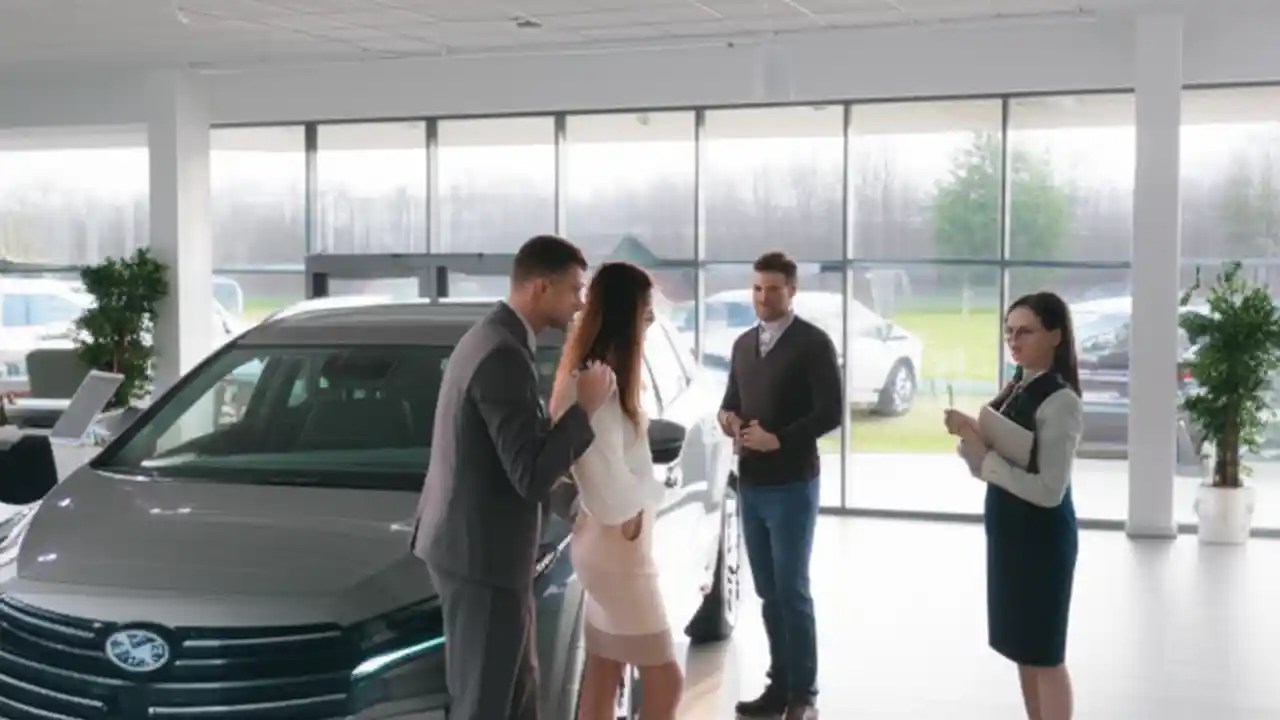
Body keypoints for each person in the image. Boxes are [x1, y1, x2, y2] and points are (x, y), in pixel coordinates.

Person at [412, 235, 616, 720]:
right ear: (541, 287)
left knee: (518, 692)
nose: (580, 304)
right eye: (575, 290)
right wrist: (584, 410)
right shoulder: (502, 354)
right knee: (485, 701)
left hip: (487, 553)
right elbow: (530, 473)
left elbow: (511, 453)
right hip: (482, 558)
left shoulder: (492, 338)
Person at [548, 262, 683, 720]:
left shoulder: (599, 377)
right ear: (626, 314)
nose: (652, 318)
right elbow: (606, 489)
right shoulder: (597, 383)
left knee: (604, 671)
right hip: (617, 553)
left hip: (607, 546)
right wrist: (643, 505)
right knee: (665, 680)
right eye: (645, 309)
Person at [944, 291, 1084, 720]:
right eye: (1009, 332)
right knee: (1024, 649)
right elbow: (1011, 455)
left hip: (1041, 540)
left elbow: (1049, 490)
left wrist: (986, 460)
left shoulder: (1061, 402)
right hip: (1010, 532)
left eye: (1025, 332)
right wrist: (973, 437)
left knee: (1045, 652)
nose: (1014, 340)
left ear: (1055, 336)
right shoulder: (1018, 386)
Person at [717, 251, 842, 720]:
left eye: (772, 289)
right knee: (768, 592)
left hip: (792, 485)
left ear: (792, 291)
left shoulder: (813, 343)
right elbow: (730, 401)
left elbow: (830, 412)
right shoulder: (742, 345)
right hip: (751, 484)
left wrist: (780, 439)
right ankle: (779, 685)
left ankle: (803, 695)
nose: (763, 297)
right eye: (757, 288)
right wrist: (728, 419)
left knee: (792, 591)